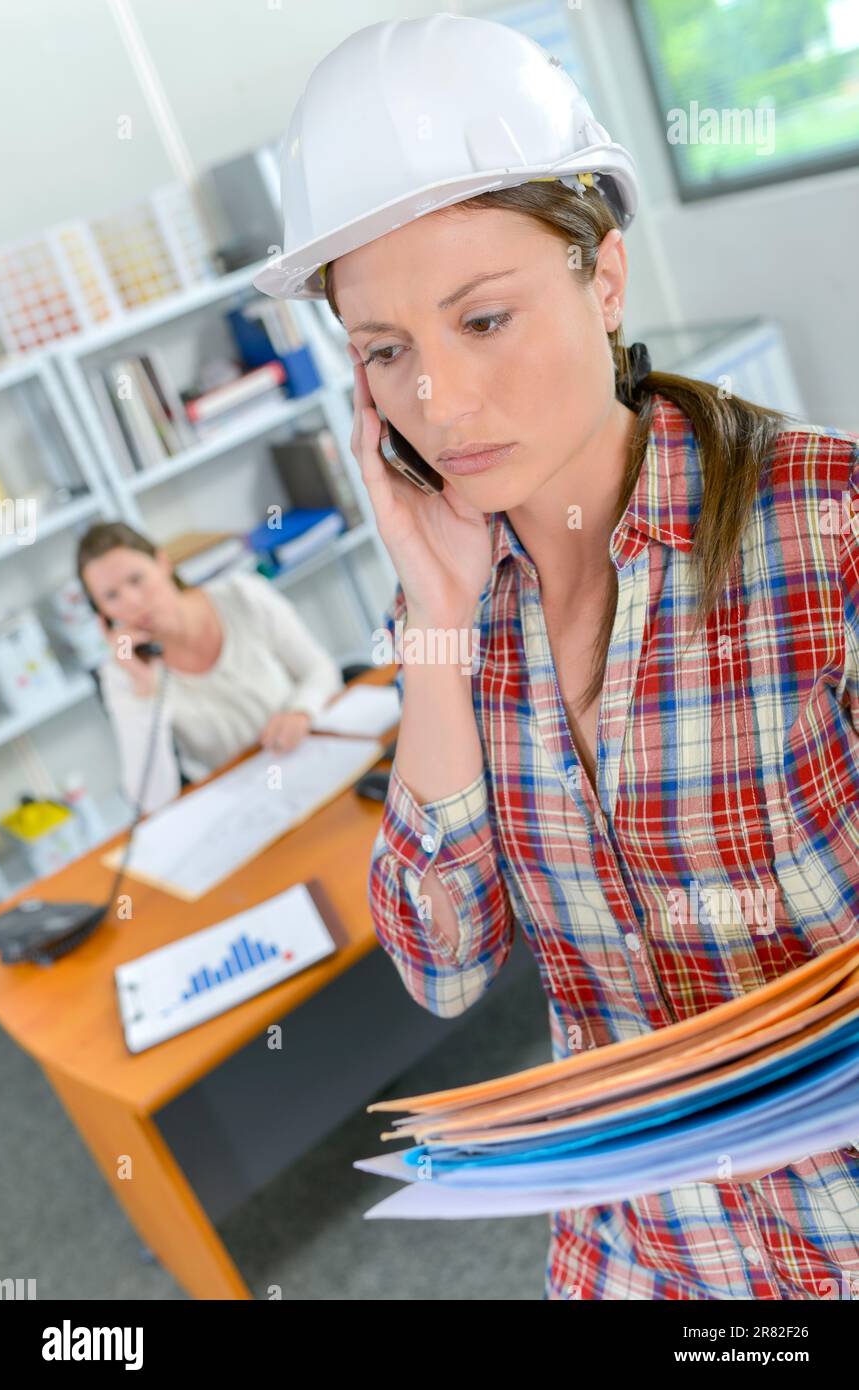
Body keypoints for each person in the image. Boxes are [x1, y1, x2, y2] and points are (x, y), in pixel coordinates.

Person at [253, 14, 859, 1300]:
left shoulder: (824, 531)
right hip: (648, 1256)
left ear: (606, 278)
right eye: (385, 353)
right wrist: (434, 615)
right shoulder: (454, 605)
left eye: (483, 318)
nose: (441, 403)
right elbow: (442, 961)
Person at [77, 521, 343, 814]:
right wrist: (143, 688)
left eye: (136, 579)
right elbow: (151, 799)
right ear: (102, 615)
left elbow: (320, 669)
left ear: (162, 563)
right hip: (252, 803)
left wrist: (301, 710)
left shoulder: (242, 595)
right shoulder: (122, 672)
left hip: (313, 754)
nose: (132, 601)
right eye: (111, 596)